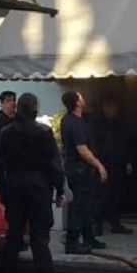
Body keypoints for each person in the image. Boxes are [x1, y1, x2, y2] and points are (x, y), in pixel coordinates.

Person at [0, 93, 65, 273]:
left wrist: (1, 190)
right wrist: (60, 189)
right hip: (39, 188)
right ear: (34, 108)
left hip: (14, 186)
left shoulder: (6, 132)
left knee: (13, 236)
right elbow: (54, 164)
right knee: (40, 237)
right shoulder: (43, 132)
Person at [59, 91, 107, 254]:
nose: (83, 98)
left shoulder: (72, 121)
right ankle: (72, 242)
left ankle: (88, 237)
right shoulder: (75, 123)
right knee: (80, 206)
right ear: (77, 102)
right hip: (79, 170)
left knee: (86, 205)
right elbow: (82, 149)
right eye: (80, 96)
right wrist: (99, 165)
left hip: (77, 169)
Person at [91, 95, 133, 235]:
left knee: (117, 194)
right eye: (110, 107)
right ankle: (97, 224)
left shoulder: (120, 125)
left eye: (115, 108)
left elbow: (125, 144)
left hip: (118, 164)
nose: (113, 110)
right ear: (105, 108)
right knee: (102, 194)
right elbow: (94, 144)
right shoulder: (97, 124)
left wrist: (127, 161)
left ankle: (115, 222)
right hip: (103, 163)